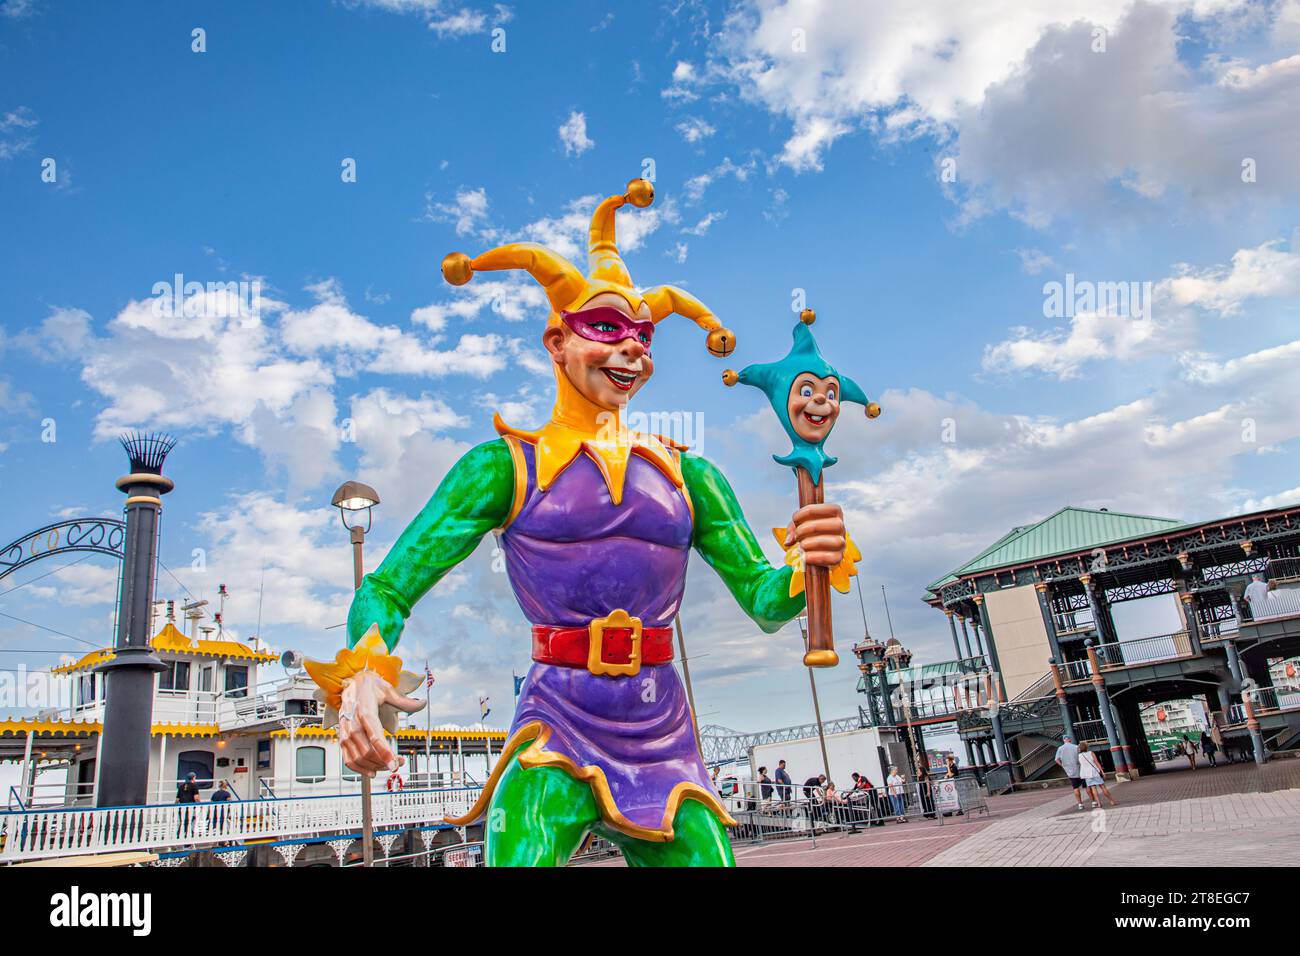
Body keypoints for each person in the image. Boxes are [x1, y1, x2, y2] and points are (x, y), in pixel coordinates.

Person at [330, 179, 859, 868]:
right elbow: (390, 587)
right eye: (607, 328)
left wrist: (811, 563)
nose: (634, 349)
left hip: (662, 728)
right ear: (557, 340)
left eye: (643, 335)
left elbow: (762, 598)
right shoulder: (503, 469)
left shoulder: (688, 476)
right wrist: (365, 668)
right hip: (557, 722)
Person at [1078, 743, 1117, 808]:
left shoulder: (1079, 756)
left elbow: (1082, 765)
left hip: (1087, 774)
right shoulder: (1091, 753)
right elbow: (1096, 762)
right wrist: (1102, 771)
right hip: (1094, 772)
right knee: (1102, 787)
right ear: (1086, 747)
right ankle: (1111, 801)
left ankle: (1099, 803)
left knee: (1093, 789)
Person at [1054, 735, 1086, 810]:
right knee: (1086, 786)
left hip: (1069, 771)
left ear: (1064, 740)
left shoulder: (1060, 748)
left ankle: (1080, 804)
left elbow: (1056, 759)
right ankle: (1094, 802)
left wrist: (1063, 765)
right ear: (1070, 740)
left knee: (1075, 787)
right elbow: (1081, 756)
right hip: (1080, 769)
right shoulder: (1076, 747)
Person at [176, 771, 200, 838]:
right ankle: (189, 836)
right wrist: (200, 805)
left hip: (181, 807)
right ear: (193, 778)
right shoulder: (194, 786)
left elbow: (177, 799)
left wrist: (175, 807)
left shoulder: (181, 786)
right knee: (189, 822)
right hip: (190, 808)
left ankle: (179, 835)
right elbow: (196, 798)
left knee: (183, 822)